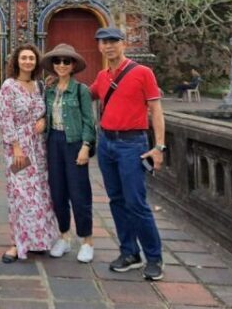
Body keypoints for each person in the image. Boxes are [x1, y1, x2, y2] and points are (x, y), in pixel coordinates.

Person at [90, 26, 166, 281]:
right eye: (103, 42)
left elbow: (156, 110)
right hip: (107, 143)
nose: (108, 46)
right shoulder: (102, 77)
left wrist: (159, 146)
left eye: (113, 41)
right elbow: (80, 96)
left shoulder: (142, 73)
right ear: (99, 47)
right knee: (116, 199)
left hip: (132, 144)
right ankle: (129, 252)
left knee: (136, 201)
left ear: (123, 44)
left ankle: (154, 257)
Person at [0, 43, 59, 263]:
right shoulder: (9, 86)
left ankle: (38, 239)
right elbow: (4, 118)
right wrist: (15, 147)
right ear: (16, 61)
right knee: (20, 194)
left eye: (31, 58)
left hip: (39, 148)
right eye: (23, 58)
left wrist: (43, 120)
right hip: (18, 148)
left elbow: (46, 110)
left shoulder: (39, 85)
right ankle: (17, 243)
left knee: (40, 193)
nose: (27, 62)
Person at [41, 44, 96, 263]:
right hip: (53, 141)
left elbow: (89, 121)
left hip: (74, 142)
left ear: (73, 65)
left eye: (66, 61)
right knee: (58, 192)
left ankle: (87, 241)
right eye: (57, 61)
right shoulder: (49, 89)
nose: (61, 65)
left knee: (79, 193)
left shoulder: (81, 90)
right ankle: (64, 236)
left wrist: (85, 145)